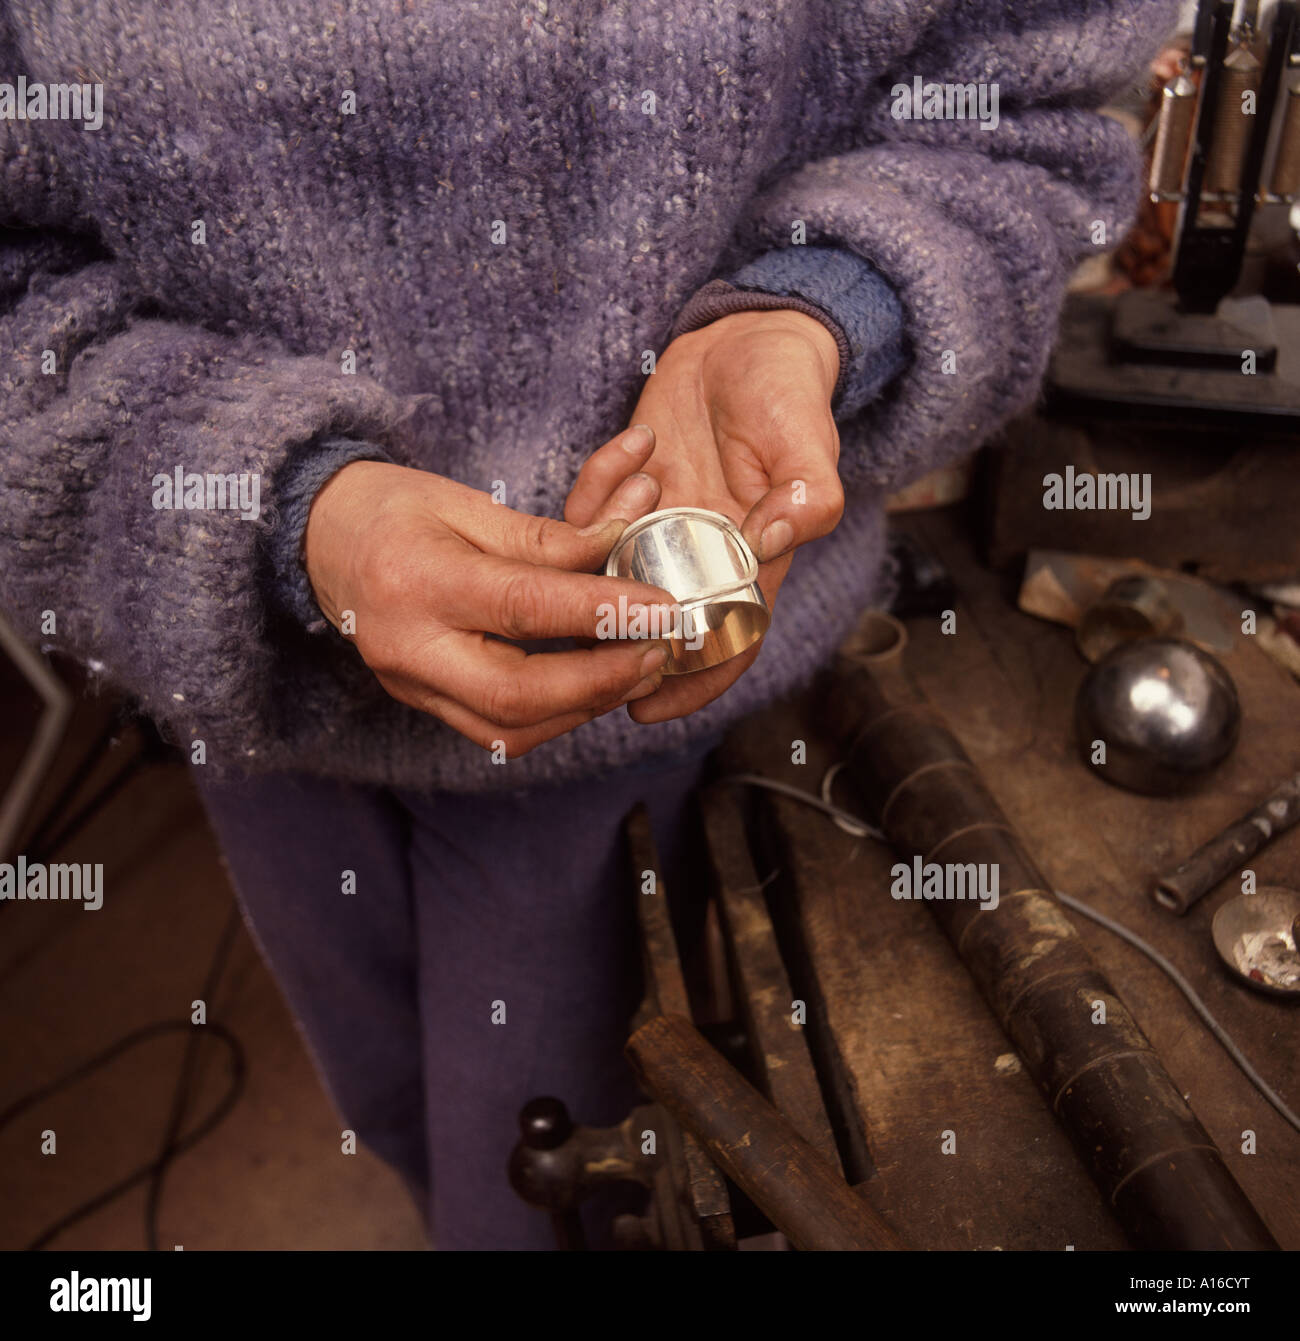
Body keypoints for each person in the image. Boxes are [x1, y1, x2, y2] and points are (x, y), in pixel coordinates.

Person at [0, 0, 1178, 1248]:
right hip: (260, 710)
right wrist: (274, 516)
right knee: (400, 1119)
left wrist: (821, 307)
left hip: (658, 738)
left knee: (543, 1203)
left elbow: (1024, 112)